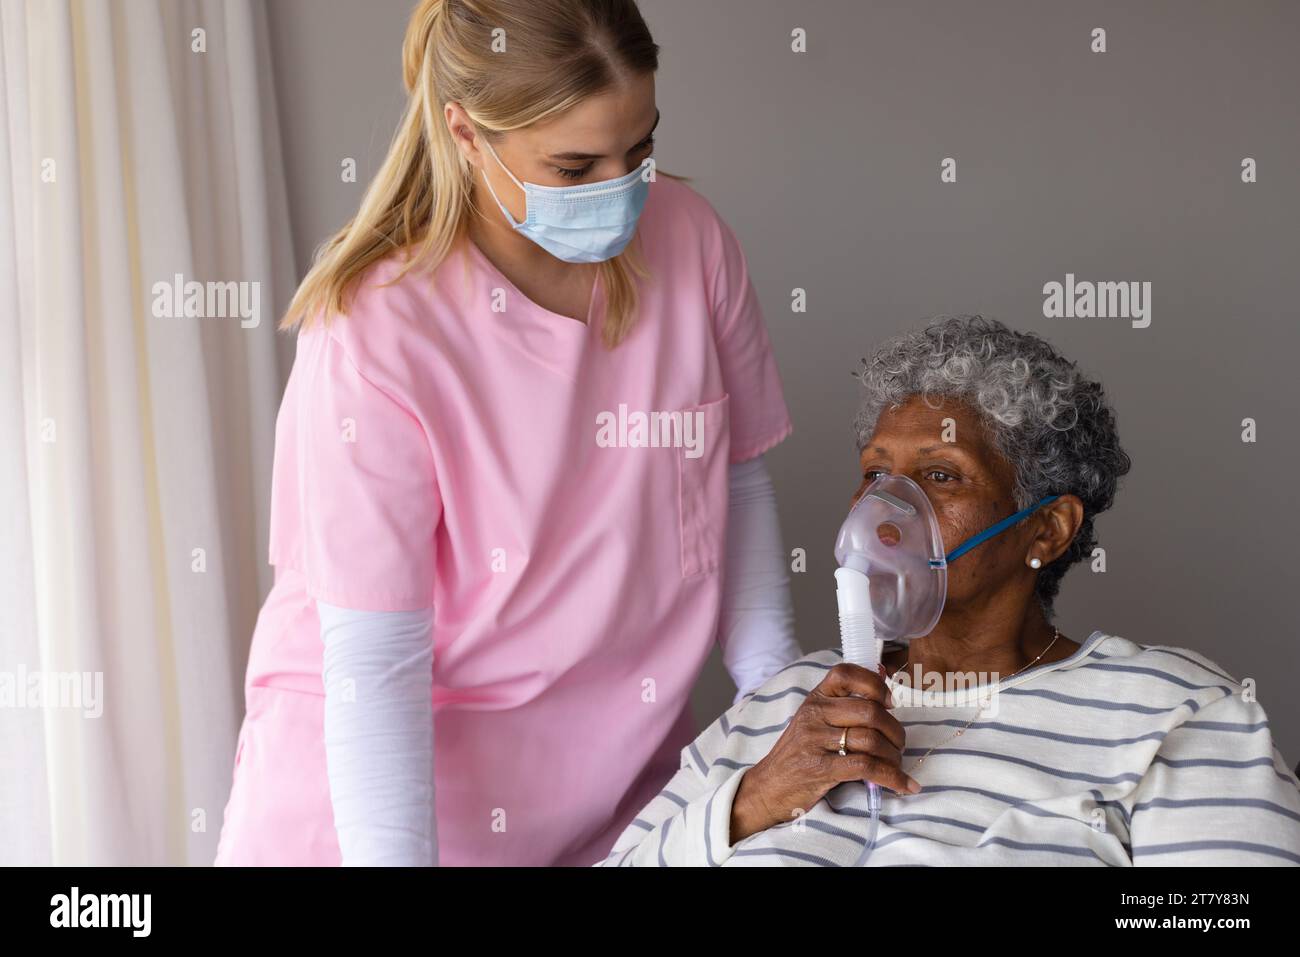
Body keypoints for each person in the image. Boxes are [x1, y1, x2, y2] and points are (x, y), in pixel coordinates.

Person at [214, 0, 799, 866]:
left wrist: (778, 703)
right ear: (466, 133)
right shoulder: (374, 336)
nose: (621, 189)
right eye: (574, 166)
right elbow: (376, 661)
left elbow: (735, 481)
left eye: (639, 149)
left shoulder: (693, 241)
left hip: (613, 791)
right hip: (381, 808)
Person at [600, 315, 1300, 866]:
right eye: (876, 475)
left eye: (941, 476)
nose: (884, 512)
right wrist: (754, 799)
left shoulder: (1172, 713)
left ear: (1047, 528)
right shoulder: (780, 709)